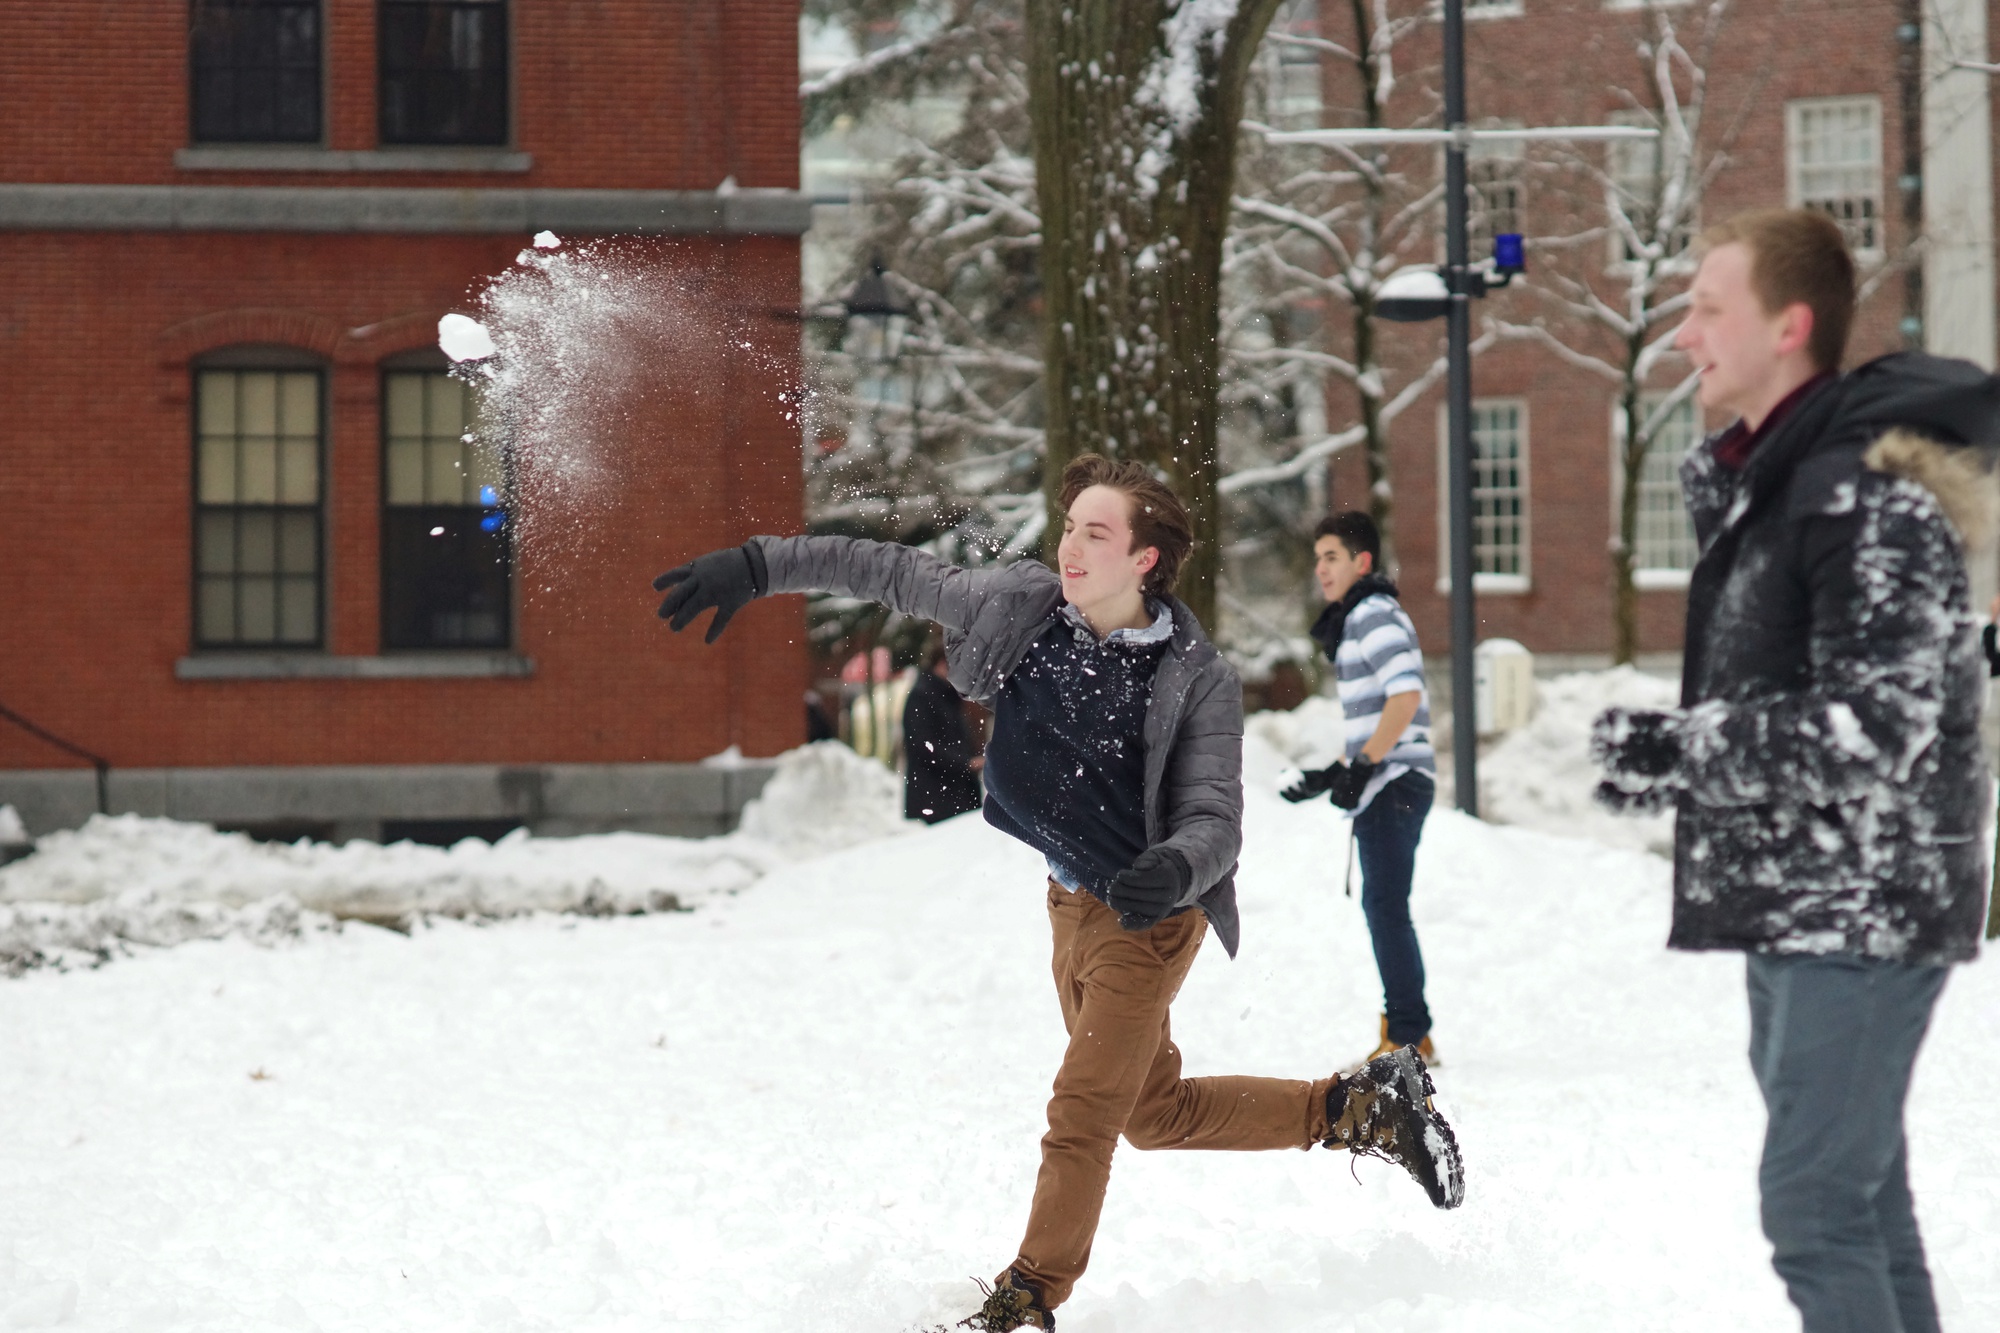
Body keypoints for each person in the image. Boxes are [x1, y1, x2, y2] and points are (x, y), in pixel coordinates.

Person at [654, 454, 1464, 1330]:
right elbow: (888, 570)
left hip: (1149, 920)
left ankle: (1026, 1296)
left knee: (1080, 1111)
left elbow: (1214, 817)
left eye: (1095, 533)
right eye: (1070, 526)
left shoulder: (1195, 678)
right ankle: (1357, 1108)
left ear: (1144, 560)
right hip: (1069, 903)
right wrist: (763, 564)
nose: (1070, 546)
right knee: (1151, 1111)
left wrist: (1177, 867)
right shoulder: (1024, 607)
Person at [1591, 209, 1996, 1333]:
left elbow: (1883, 722)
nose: (1683, 334)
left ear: (1790, 326)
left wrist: (1686, 749)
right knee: (1859, 1199)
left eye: (1708, 307)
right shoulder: (1778, 486)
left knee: (1812, 1204)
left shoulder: (1862, 498)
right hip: (1805, 901)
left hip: (1863, 901)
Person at [1281, 512, 1438, 1068]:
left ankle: (1409, 1035)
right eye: (1317, 558)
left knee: (1386, 905)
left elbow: (1406, 697)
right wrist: (1334, 772)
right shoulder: (1363, 617)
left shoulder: (1373, 615)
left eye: (1332, 557)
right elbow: (1382, 710)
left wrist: (1366, 765)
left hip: (1395, 782)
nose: (1320, 569)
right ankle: (1409, 1028)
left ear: (1362, 562)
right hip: (1390, 779)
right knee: (1385, 904)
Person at [902, 644, 984, 823]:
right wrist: (965, 763)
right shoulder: (923, 696)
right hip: (937, 794)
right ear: (940, 664)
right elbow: (924, 745)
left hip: (952, 793)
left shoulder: (946, 695)